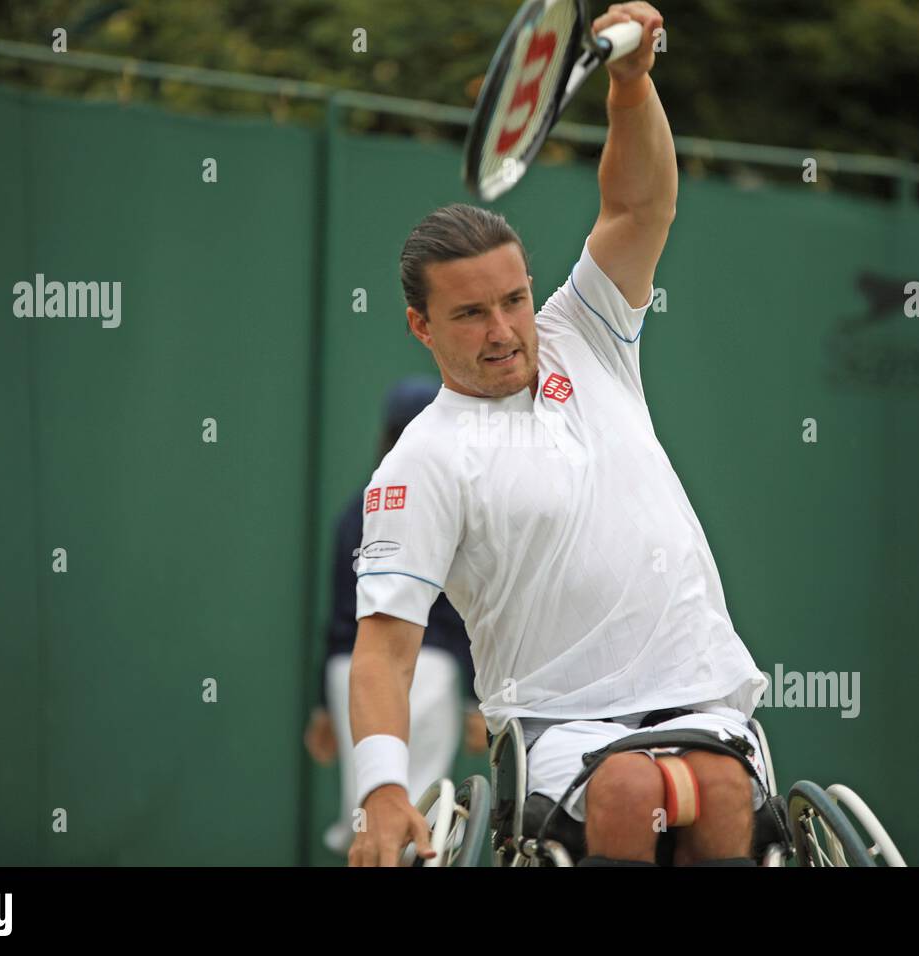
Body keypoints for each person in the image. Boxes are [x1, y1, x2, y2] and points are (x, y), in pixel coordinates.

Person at [349, 1, 769, 867]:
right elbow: (385, 652)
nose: (503, 329)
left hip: (700, 690)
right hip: (560, 722)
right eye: (470, 314)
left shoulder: (584, 331)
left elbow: (641, 204)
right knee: (629, 791)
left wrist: (632, 83)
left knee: (720, 793)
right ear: (420, 327)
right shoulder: (422, 459)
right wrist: (383, 789)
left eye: (512, 300)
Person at [303, 376, 484, 856]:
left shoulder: (353, 511)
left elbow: (338, 620)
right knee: (416, 819)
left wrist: (323, 704)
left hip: (354, 674)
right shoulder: (447, 503)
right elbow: (462, 613)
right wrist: (472, 699)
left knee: (373, 816)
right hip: (427, 668)